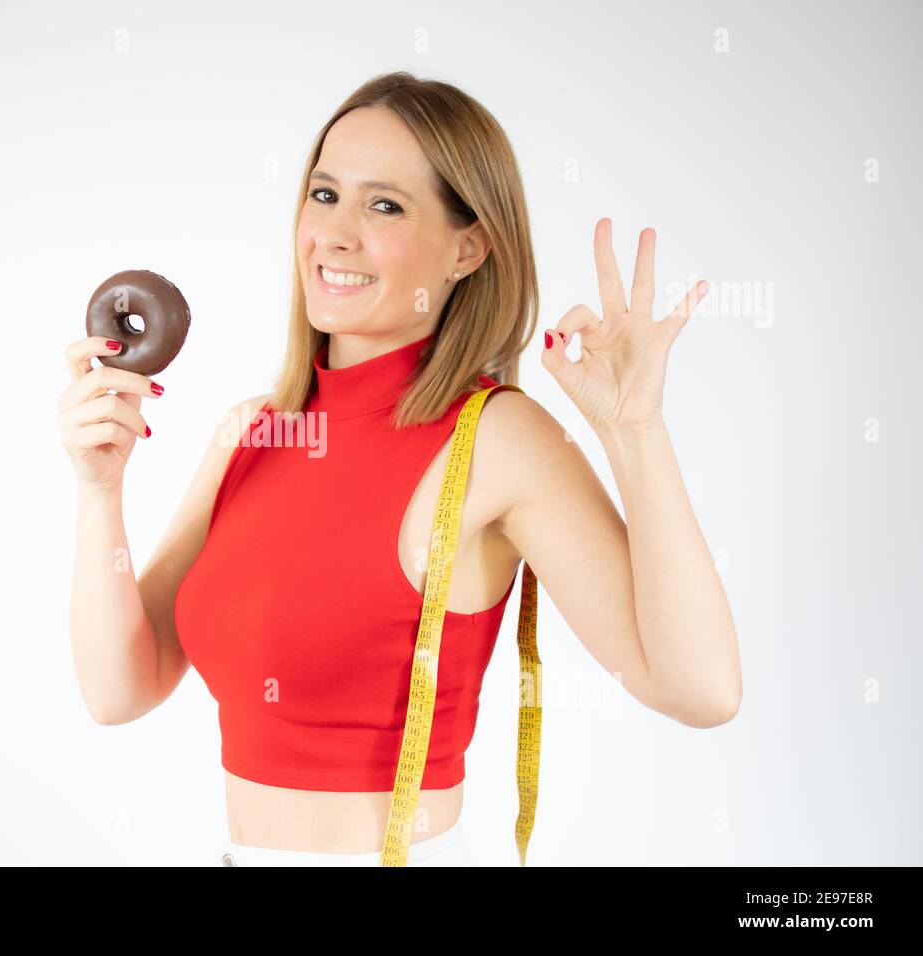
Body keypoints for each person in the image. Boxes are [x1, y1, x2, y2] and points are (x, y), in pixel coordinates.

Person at [61, 71, 742, 867]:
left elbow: (701, 689)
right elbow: (121, 690)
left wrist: (637, 434)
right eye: (324, 194)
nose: (335, 234)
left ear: (468, 248)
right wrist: (99, 487)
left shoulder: (496, 439)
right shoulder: (254, 432)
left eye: (385, 205)